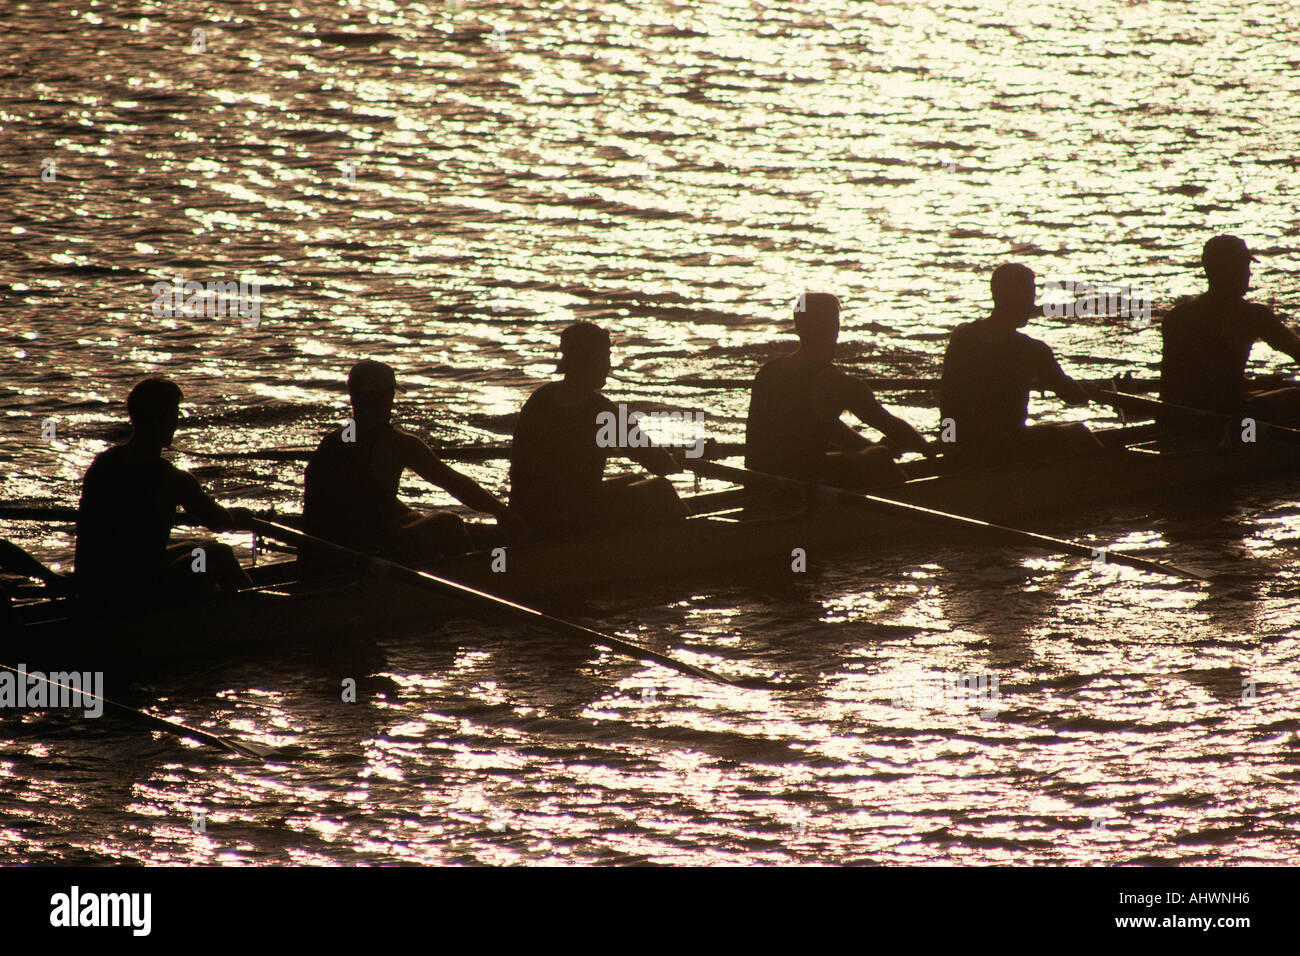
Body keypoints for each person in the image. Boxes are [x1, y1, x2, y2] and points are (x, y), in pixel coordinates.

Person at [303, 360, 521, 561]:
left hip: (323, 553)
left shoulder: (331, 442)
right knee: (448, 523)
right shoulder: (398, 444)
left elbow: (364, 501)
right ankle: (478, 580)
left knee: (411, 516)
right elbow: (455, 484)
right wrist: (504, 514)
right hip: (363, 555)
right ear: (387, 396)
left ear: (353, 397)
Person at [74, 376, 253, 604]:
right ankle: (254, 614)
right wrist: (238, 517)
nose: (176, 424)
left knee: (192, 548)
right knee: (218, 555)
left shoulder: (103, 464)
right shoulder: (172, 479)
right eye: (174, 416)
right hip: (133, 592)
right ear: (160, 420)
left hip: (95, 583)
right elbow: (218, 522)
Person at [509, 322, 686, 539]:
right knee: (660, 490)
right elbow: (661, 465)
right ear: (588, 361)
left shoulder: (540, 398)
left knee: (635, 477)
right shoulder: (603, 412)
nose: (608, 366)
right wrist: (694, 454)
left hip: (526, 513)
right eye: (605, 357)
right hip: (568, 519)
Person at [745, 292, 932, 488]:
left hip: (758, 478)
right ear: (833, 328)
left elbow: (828, 430)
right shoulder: (838, 384)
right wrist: (927, 448)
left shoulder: (768, 372)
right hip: (800, 482)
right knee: (880, 457)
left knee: (867, 451)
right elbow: (888, 424)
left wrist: (869, 446)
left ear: (799, 327)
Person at [939, 264, 1100, 467]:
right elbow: (1071, 395)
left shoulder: (962, 336)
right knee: (1077, 432)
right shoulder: (1032, 350)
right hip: (1006, 448)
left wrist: (948, 441)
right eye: (1030, 296)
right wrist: (1089, 391)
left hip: (964, 444)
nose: (1032, 305)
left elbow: (947, 400)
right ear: (1015, 299)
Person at [1159, 234, 1300, 431]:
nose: (1248, 273)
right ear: (1226, 271)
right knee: (1295, 396)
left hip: (1176, 419)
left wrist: (1256, 384)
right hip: (1226, 420)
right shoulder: (1252, 314)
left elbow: (1203, 379)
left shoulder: (1178, 316)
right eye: (1243, 266)